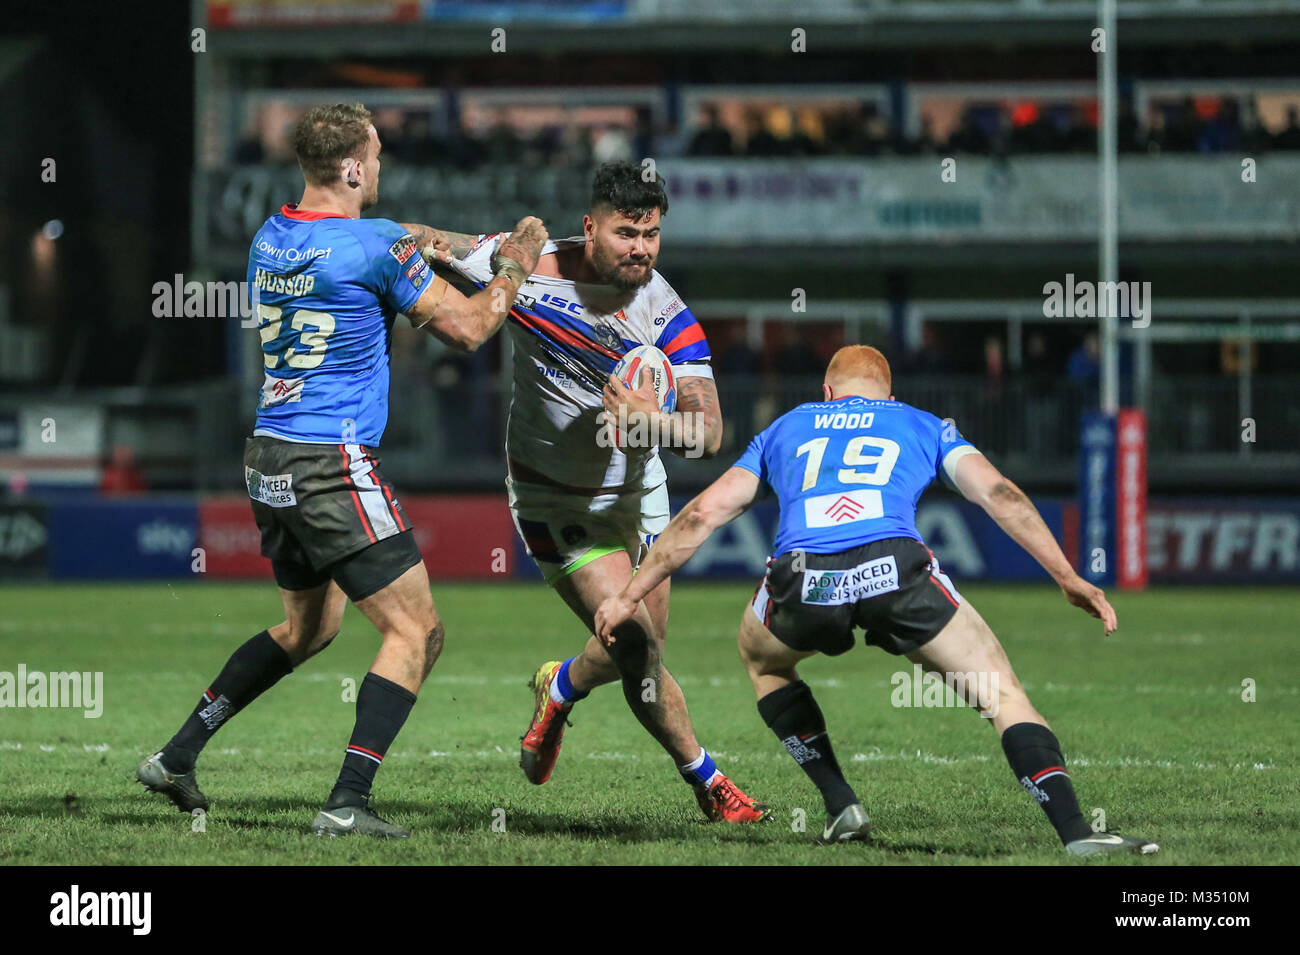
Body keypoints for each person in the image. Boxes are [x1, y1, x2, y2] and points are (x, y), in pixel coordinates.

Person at [136, 102, 548, 838]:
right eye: (379, 154)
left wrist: (418, 245)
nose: (384, 166)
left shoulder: (271, 236)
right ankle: (348, 798)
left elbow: (355, 259)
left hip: (268, 452)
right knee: (416, 629)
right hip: (331, 459)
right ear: (354, 166)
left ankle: (177, 753)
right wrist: (515, 260)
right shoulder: (374, 244)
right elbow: (473, 327)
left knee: (309, 626)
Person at [595, 345, 1158, 856]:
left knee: (763, 659)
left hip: (805, 578)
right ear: (890, 395)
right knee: (1003, 696)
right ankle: (1077, 833)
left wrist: (627, 596)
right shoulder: (921, 423)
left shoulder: (786, 428)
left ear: (827, 394)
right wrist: (1067, 577)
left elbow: (701, 515)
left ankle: (841, 803)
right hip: (895, 571)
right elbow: (999, 493)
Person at [426, 160, 769, 822]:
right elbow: (427, 241)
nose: (640, 248)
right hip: (556, 499)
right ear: (590, 228)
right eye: (625, 233)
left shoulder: (667, 314)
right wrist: (354, 232)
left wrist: (655, 423)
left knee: (643, 650)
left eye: (651, 234)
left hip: (640, 494)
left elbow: (711, 433)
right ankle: (708, 780)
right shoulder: (526, 266)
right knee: (635, 643)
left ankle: (558, 686)